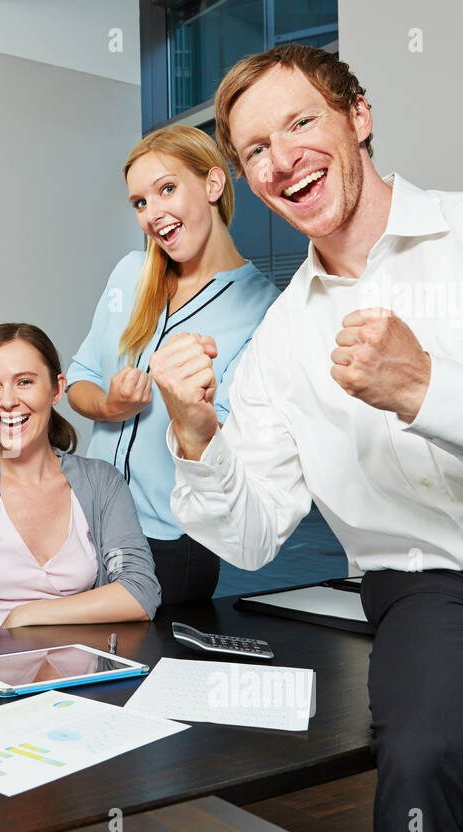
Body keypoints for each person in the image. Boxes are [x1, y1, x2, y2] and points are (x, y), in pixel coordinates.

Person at [152, 44, 463, 832]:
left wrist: (433, 389)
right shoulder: (280, 345)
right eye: (256, 149)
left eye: (301, 122)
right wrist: (194, 437)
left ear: (359, 118)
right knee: (424, 771)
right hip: (436, 595)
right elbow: (253, 534)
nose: (282, 158)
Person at [66, 125, 279, 604]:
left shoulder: (266, 310)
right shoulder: (129, 274)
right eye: (139, 202)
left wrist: (189, 408)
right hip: (86, 524)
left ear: (212, 184)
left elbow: (229, 442)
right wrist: (109, 404)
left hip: (173, 541)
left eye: (166, 189)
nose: (152, 213)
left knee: (162, 675)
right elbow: (80, 379)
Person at [0, 324, 160, 636]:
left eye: (25, 382)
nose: (7, 401)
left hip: (82, 671)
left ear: (57, 389)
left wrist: (28, 614)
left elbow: (140, 593)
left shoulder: (101, 481)